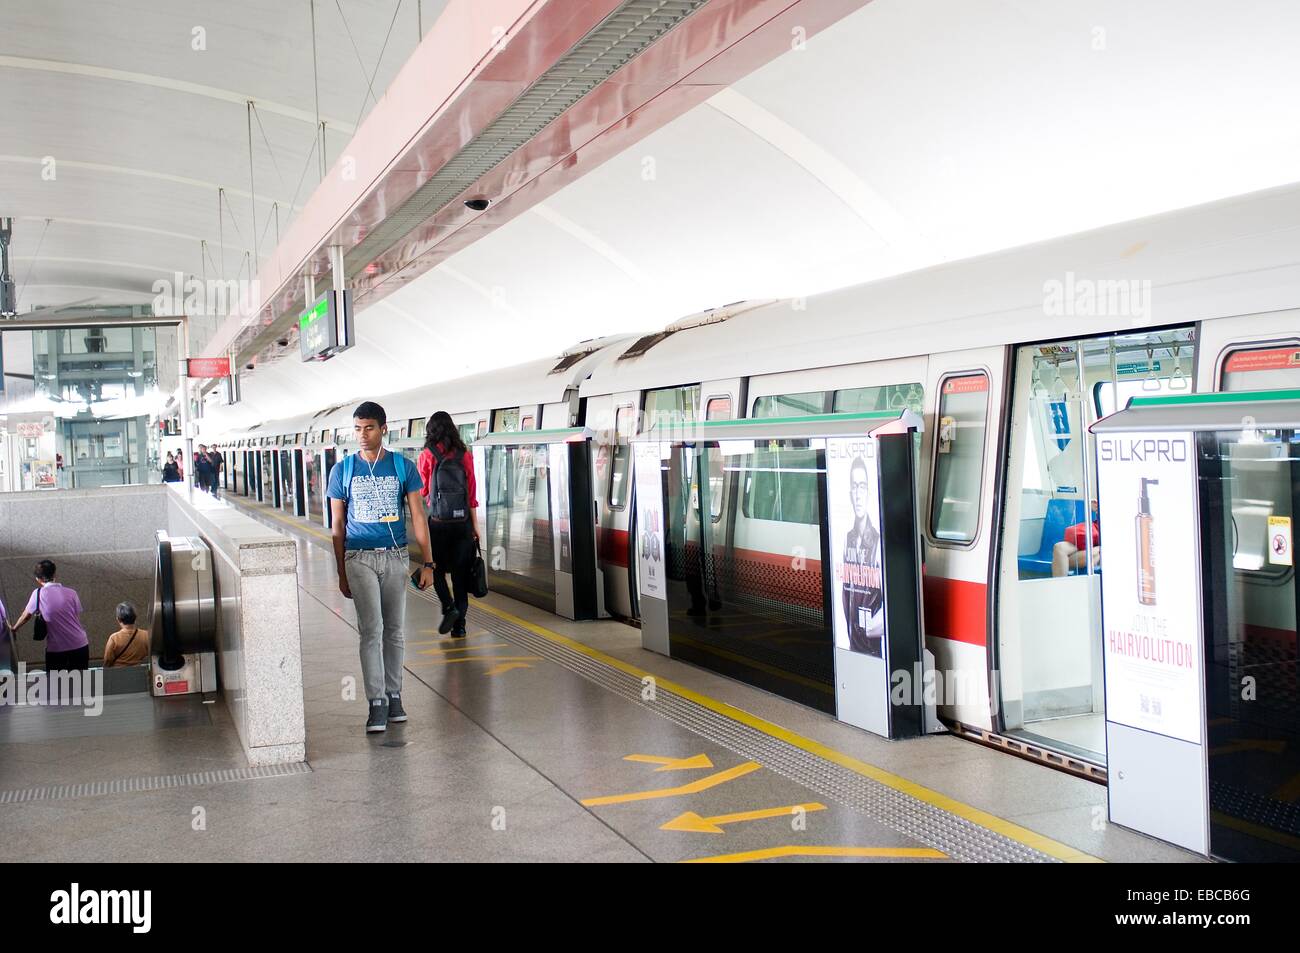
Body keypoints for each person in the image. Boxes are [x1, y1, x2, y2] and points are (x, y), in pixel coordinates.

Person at [328, 401, 434, 733]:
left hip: (395, 556)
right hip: (359, 557)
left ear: (383, 429)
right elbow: (337, 524)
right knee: (371, 630)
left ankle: (395, 695)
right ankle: (376, 702)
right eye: (357, 428)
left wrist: (428, 562)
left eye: (369, 428)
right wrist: (341, 572)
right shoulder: (342, 470)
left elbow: (418, 515)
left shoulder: (403, 467)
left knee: (395, 630)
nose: (362, 435)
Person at [417, 411, 480, 637]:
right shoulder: (465, 455)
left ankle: (448, 607)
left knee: (438, 570)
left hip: (438, 524)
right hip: (462, 522)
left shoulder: (427, 455)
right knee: (460, 575)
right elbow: (471, 494)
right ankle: (460, 626)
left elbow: (423, 490)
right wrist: (475, 526)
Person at [7, 560, 91, 676]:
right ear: (55, 574)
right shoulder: (72, 593)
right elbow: (75, 617)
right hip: (80, 644)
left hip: (57, 648)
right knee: (80, 683)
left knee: (55, 685)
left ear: (38, 579)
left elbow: (26, 616)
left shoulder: (38, 594)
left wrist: (14, 628)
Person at [841, 455, 884, 657]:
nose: (858, 494)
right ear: (850, 493)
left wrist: (866, 630)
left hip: (872, 652)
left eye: (863, 486)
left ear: (868, 492)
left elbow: (890, 606)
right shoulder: (847, 540)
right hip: (852, 648)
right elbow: (845, 594)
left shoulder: (878, 542)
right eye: (855, 486)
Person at [1053, 499, 1101, 577]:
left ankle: (1061, 567)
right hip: (1094, 536)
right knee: (1059, 547)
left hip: (1102, 544)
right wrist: (1096, 507)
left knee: (1098, 552)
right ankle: (1060, 587)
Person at [103, 602, 150, 667]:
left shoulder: (114, 638)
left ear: (118, 619)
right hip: (138, 672)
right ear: (135, 617)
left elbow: (108, 660)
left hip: (118, 673)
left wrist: (105, 670)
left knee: (88, 676)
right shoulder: (146, 635)